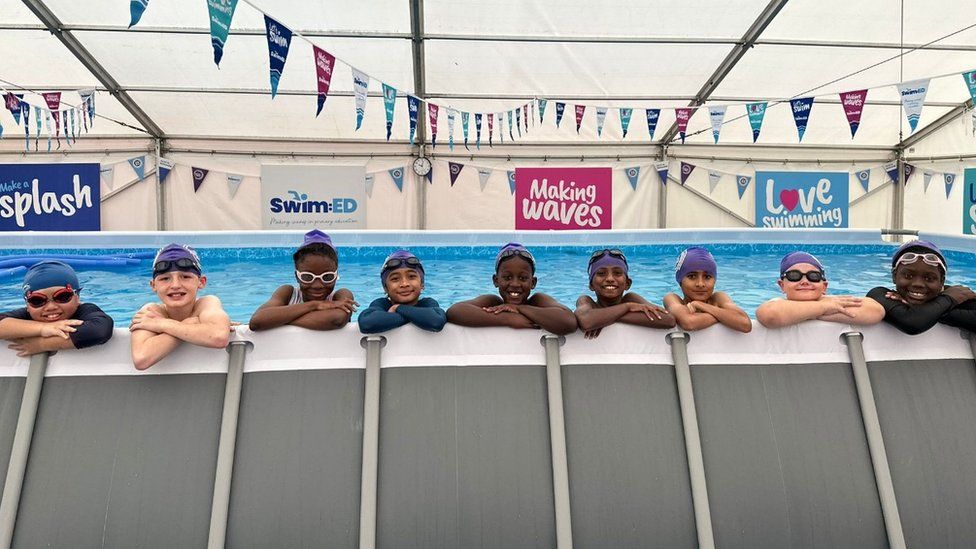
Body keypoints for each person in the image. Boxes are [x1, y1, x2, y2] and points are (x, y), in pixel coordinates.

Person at [130, 243, 231, 370]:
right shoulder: (150, 311)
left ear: (201, 282)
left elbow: (219, 337)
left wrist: (162, 324)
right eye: (165, 279)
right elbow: (141, 359)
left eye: (185, 277)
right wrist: (191, 323)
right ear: (153, 285)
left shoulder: (207, 303)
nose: (175, 285)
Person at [446, 242, 577, 335]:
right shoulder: (493, 302)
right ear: (496, 280)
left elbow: (569, 322)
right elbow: (455, 311)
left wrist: (520, 308)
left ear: (533, 282)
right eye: (507, 277)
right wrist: (508, 319)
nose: (515, 284)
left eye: (523, 278)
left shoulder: (538, 301)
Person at [249, 229, 357, 331]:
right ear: (297, 276)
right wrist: (315, 305)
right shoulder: (288, 293)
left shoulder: (341, 296)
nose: (318, 285)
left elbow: (336, 320)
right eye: (307, 277)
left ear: (336, 275)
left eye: (327, 277)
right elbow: (256, 322)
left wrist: (278, 320)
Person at [0, 260, 113, 357]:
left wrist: (41, 344)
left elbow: (100, 331)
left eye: (62, 297)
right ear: (27, 305)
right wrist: (43, 328)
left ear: (77, 298)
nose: (51, 307)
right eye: (37, 300)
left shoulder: (84, 310)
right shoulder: (28, 315)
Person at [866, 240, 976, 334]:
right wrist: (948, 300)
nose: (918, 284)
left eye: (929, 278)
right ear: (894, 276)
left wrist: (923, 309)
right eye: (908, 276)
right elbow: (912, 322)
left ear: (941, 281)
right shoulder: (880, 294)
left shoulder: (956, 293)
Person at [756, 251, 884, 328]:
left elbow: (875, 311)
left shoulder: (834, 302)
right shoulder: (830, 305)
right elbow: (770, 315)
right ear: (782, 285)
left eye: (813, 276)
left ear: (824, 286)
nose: (804, 281)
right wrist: (823, 308)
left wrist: (803, 313)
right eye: (794, 276)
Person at [574, 248, 674, 339]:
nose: (610, 279)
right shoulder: (586, 301)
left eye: (617, 273)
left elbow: (669, 320)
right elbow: (586, 321)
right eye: (601, 273)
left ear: (627, 283)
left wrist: (602, 319)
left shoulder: (631, 298)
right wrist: (627, 307)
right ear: (591, 285)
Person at [663, 247, 752, 333]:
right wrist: (725, 317)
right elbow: (689, 323)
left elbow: (745, 324)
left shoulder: (718, 297)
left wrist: (700, 305)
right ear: (680, 281)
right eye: (692, 276)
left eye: (707, 277)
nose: (700, 284)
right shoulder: (672, 299)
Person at [358, 250, 447, 334]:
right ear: (385, 288)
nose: (404, 284)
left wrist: (397, 308)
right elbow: (367, 324)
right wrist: (415, 317)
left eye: (411, 277)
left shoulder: (427, 303)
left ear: (422, 284)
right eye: (395, 279)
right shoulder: (382, 304)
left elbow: (436, 322)